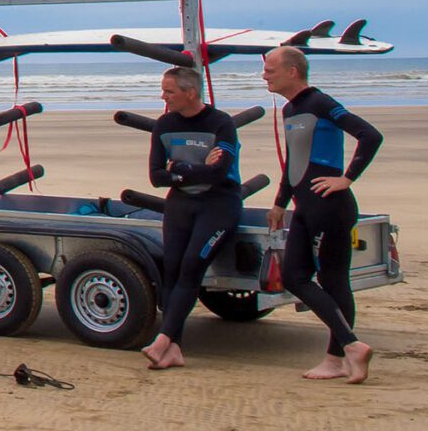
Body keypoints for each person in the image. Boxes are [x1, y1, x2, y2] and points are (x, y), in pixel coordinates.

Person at [263, 46, 381, 383]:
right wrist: (279, 203)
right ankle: (341, 355)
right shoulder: (289, 110)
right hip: (305, 207)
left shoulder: (321, 103)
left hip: (330, 206)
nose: (264, 74)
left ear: (292, 71)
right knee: (295, 278)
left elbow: (369, 135)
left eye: (270, 69)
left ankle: (346, 351)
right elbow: (293, 162)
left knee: (329, 280)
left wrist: (346, 178)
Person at [140, 67, 243, 370]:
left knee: (191, 266)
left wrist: (180, 168)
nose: (163, 96)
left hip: (219, 203)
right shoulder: (165, 124)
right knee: (171, 270)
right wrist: (192, 169)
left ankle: (164, 339)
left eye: (169, 91)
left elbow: (218, 173)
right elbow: (156, 177)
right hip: (181, 204)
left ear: (191, 92)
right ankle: (174, 349)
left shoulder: (220, 123)